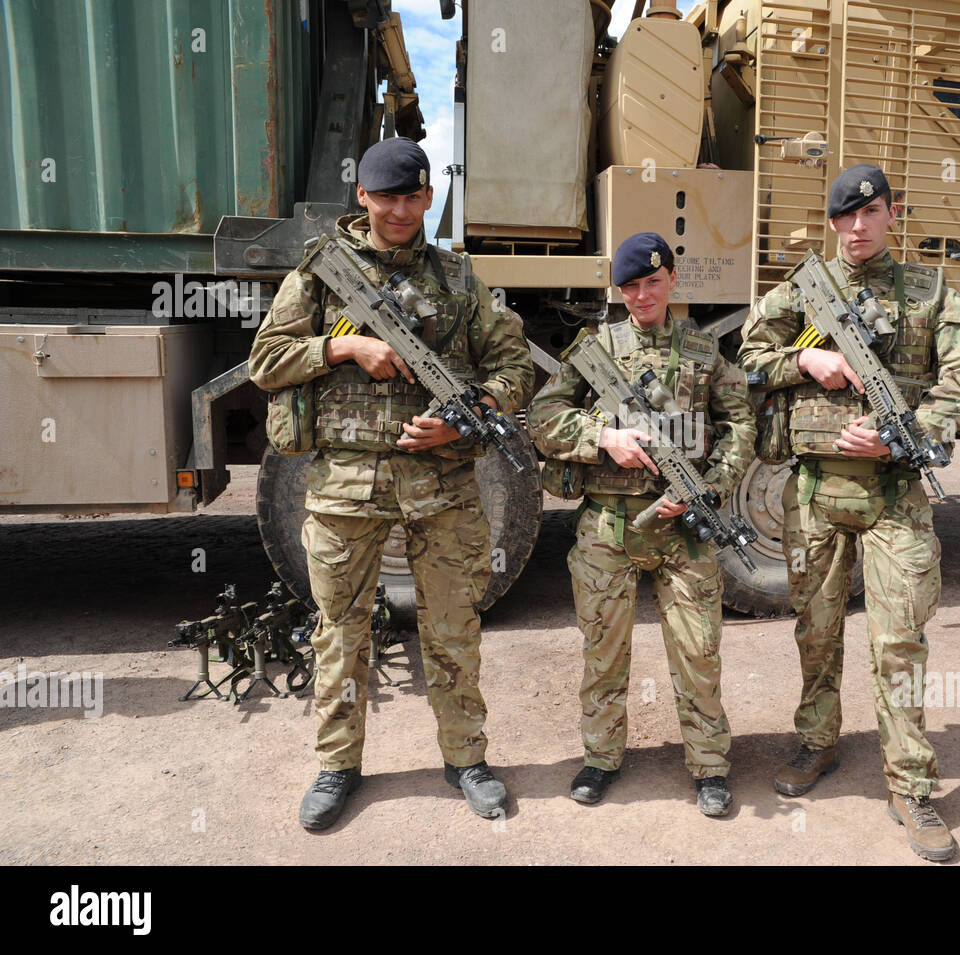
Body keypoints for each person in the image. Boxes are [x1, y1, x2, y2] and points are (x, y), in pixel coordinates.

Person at [248, 136, 533, 829]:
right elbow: (265, 360)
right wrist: (345, 346)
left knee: (453, 629)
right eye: (386, 197)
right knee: (340, 633)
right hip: (346, 491)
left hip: (443, 490)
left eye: (412, 196)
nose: (399, 210)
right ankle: (337, 765)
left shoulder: (461, 279)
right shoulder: (322, 275)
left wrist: (461, 425)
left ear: (429, 198)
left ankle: (466, 757)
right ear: (363, 197)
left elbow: (516, 370)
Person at [737, 163, 960, 861]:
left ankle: (910, 783)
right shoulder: (803, 289)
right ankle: (818, 743)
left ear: (892, 212)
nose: (855, 227)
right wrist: (804, 363)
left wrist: (902, 428)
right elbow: (748, 357)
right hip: (815, 492)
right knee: (815, 633)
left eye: (869, 212)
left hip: (892, 497)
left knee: (898, 640)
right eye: (843, 217)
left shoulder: (933, 293)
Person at [528, 232, 756, 817]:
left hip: (684, 531)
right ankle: (601, 758)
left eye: (652, 282)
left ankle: (708, 765)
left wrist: (712, 487)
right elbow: (543, 418)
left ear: (673, 280)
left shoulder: (705, 353)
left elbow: (740, 426)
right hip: (608, 527)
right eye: (629, 286)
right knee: (603, 652)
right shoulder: (594, 351)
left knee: (698, 651)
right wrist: (603, 438)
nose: (641, 295)